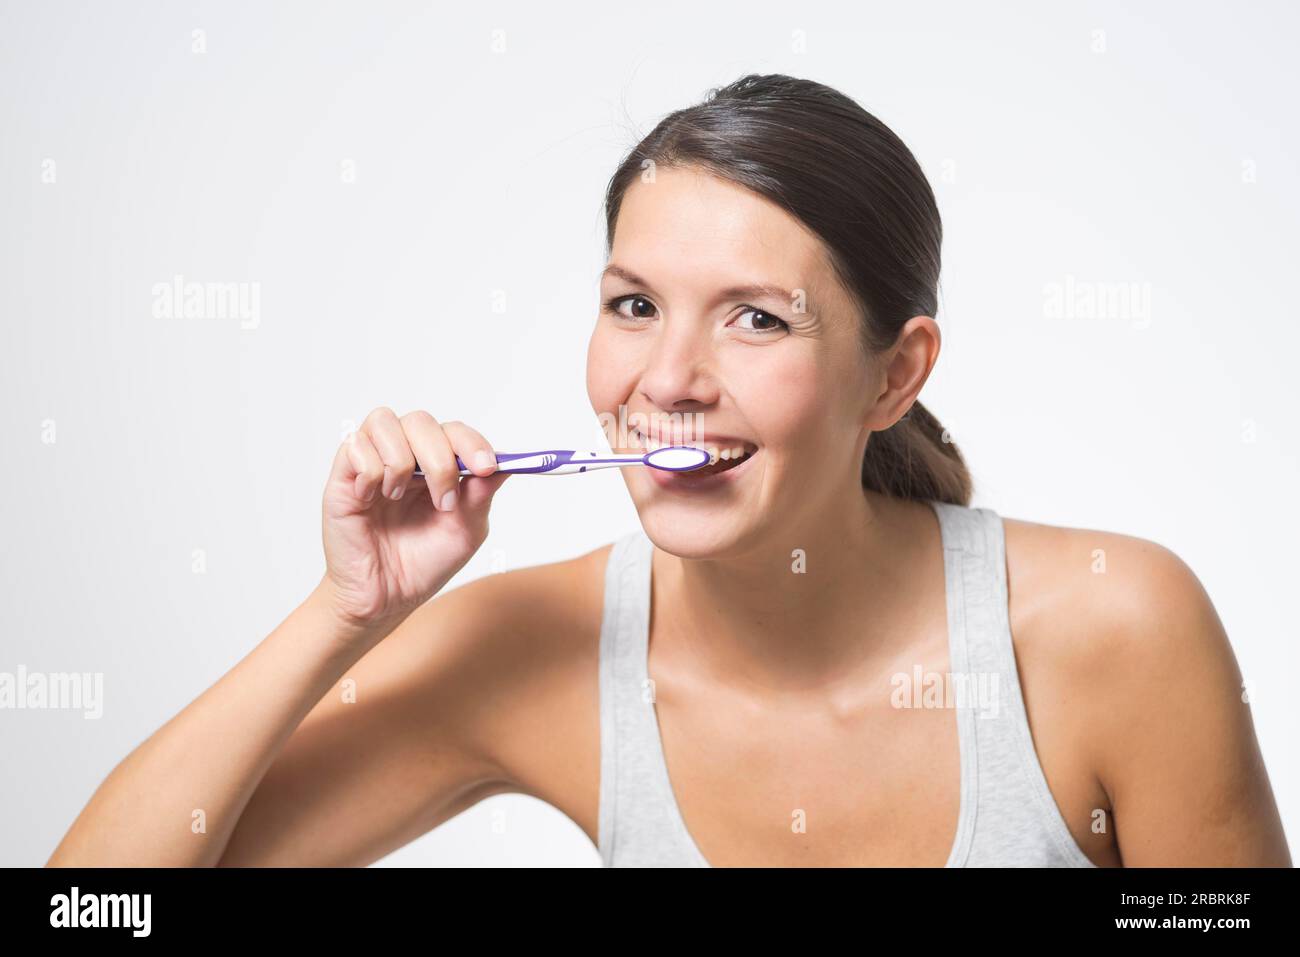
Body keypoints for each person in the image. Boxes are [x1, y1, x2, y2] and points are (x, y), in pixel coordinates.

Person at [47, 74, 1290, 867]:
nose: (669, 379)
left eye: (757, 318)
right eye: (634, 305)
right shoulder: (532, 647)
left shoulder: (1110, 628)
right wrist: (345, 616)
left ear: (894, 375)